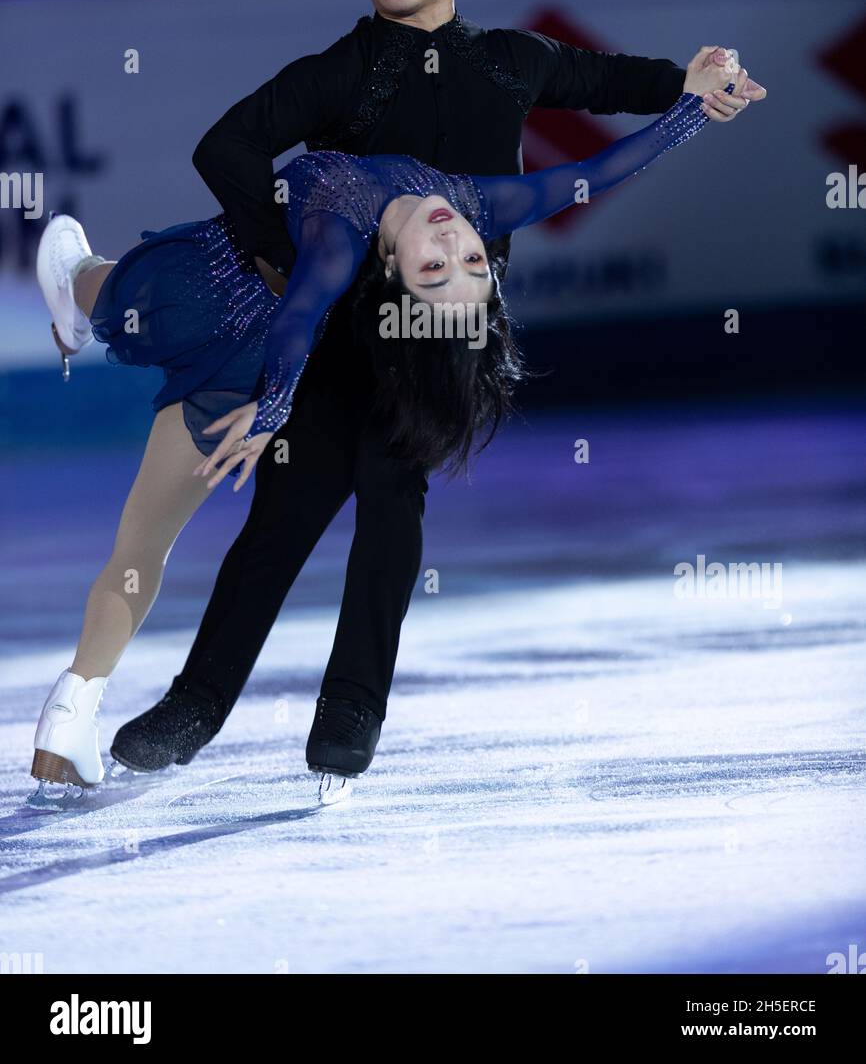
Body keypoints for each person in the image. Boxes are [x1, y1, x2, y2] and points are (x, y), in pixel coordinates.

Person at [30, 44, 746, 807]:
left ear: (396, 279)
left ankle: (77, 308)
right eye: (471, 260)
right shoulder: (474, 203)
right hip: (242, 375)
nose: (451, 246)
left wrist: (273, 409)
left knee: (79, 282)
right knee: (143, 547)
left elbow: (301, 319)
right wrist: (693, 111)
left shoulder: (342, 245)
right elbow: (586, 178)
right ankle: (71, 709)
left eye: (436, 269)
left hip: (202, 305)